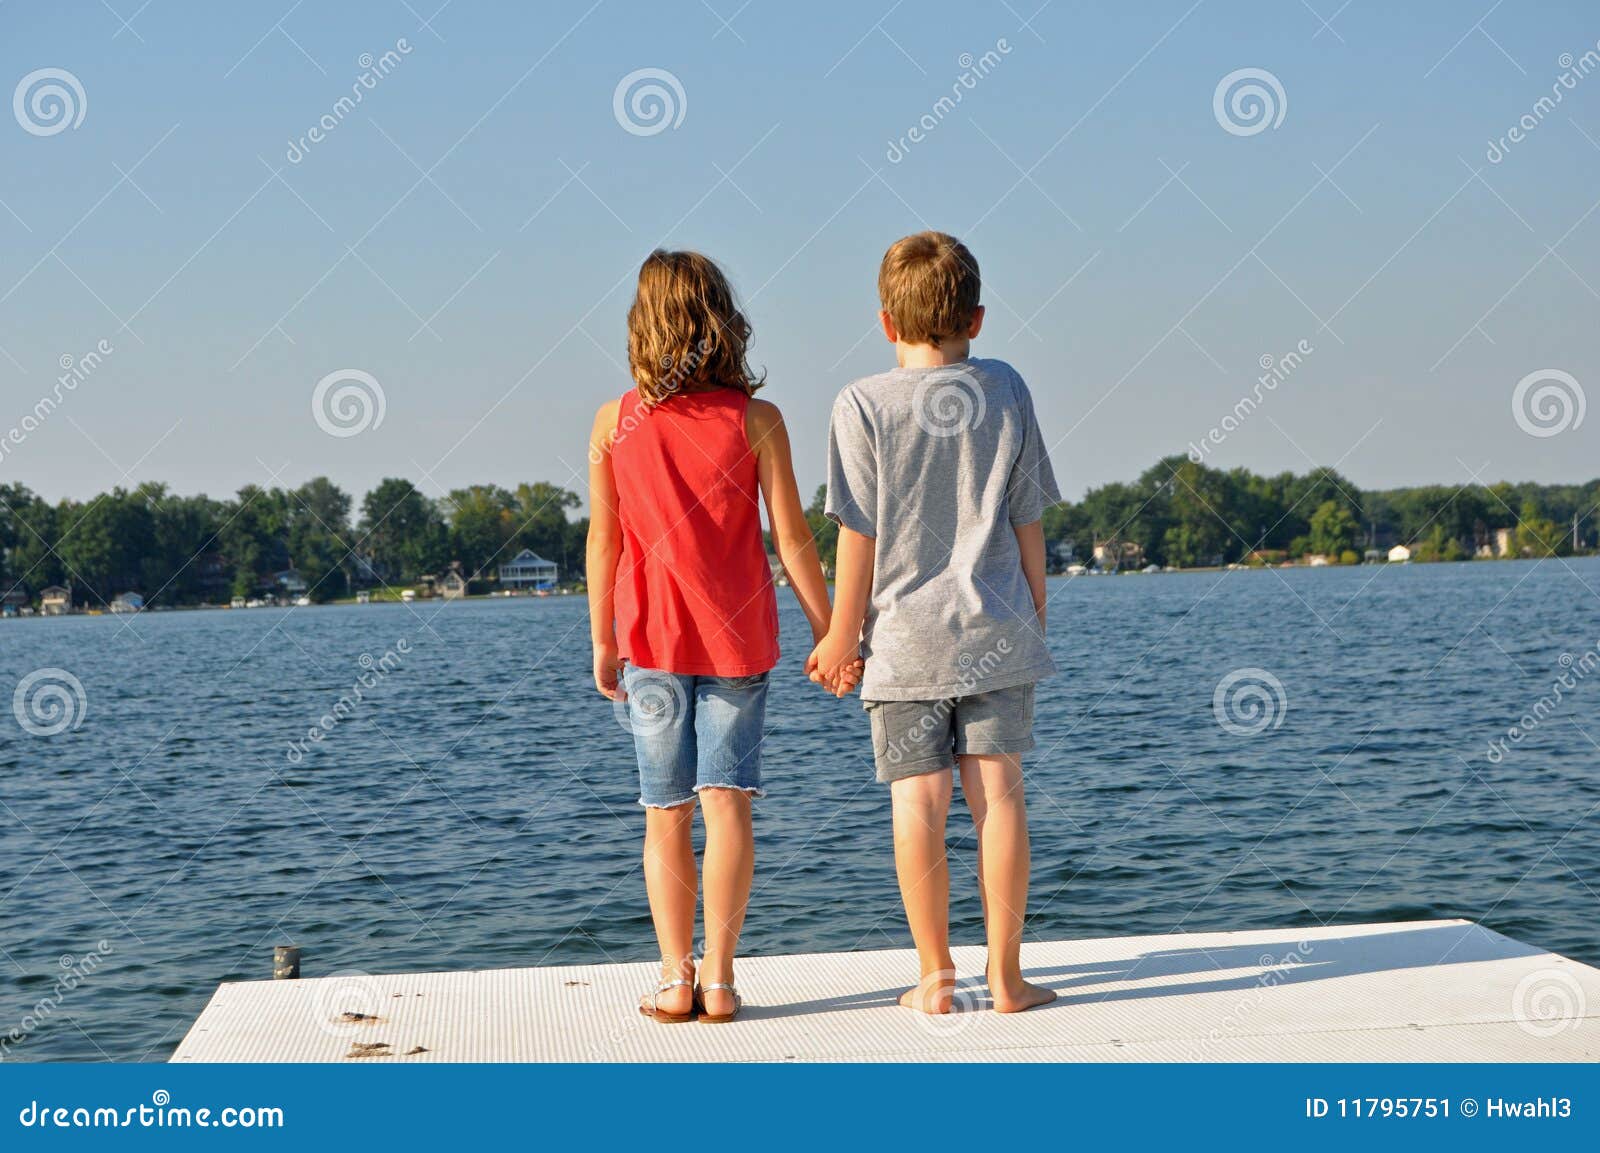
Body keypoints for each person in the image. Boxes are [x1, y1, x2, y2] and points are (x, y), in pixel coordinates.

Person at [587, 249, 859, 1024]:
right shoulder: (757, 419)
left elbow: (602, 541)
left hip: (651, 640)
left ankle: (675, 978)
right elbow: (794, 537)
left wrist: (602, 637)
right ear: (722, 320)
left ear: (643, 324)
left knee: (664, 810)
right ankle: (723, 978)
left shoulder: (615, 422)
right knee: (727, 802)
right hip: (737, 640)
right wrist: (830, 627)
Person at [809, 231, 1060, 1015]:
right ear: (977, 318)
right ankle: (1008, 977)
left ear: (887, 321)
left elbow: (859, 533)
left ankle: (935, 975)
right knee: (1002, 802)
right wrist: (1036, 609)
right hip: (998, 633)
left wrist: (840, 636)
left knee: (917, 805)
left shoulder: (860, 403)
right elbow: (1027, 519)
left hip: (904, 644)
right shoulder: (1008, 386)